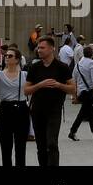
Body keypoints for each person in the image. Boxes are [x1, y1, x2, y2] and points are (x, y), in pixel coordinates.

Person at [24, 37, 75, 166]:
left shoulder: (62, 67)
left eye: (42, 47)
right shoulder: (34, 67)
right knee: (41, 146)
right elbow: (26, 90)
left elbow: (73, 89)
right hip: (37, 111)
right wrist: (40, 85)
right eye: (38, 47)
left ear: (52, 48)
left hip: (54, 111)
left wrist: (59, 85)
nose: (39, 50)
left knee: (51, 143)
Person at [0, 46, 29, 166]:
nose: (6, 57)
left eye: (10, 56)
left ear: (17, 59)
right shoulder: (0, 74)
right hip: (5, 109)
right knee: (6, 147)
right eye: (6, 55)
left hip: (21, 108)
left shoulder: (25, 74)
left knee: (20, 147)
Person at [67, 45, 93, 142]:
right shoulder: (92, 63)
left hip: (81, 92)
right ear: (92, 54)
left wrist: (74, 96)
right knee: (83, 113)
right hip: (90, 92)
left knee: (89, 113)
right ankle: (73, 131)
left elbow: (73, 81)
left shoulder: (78, 64)